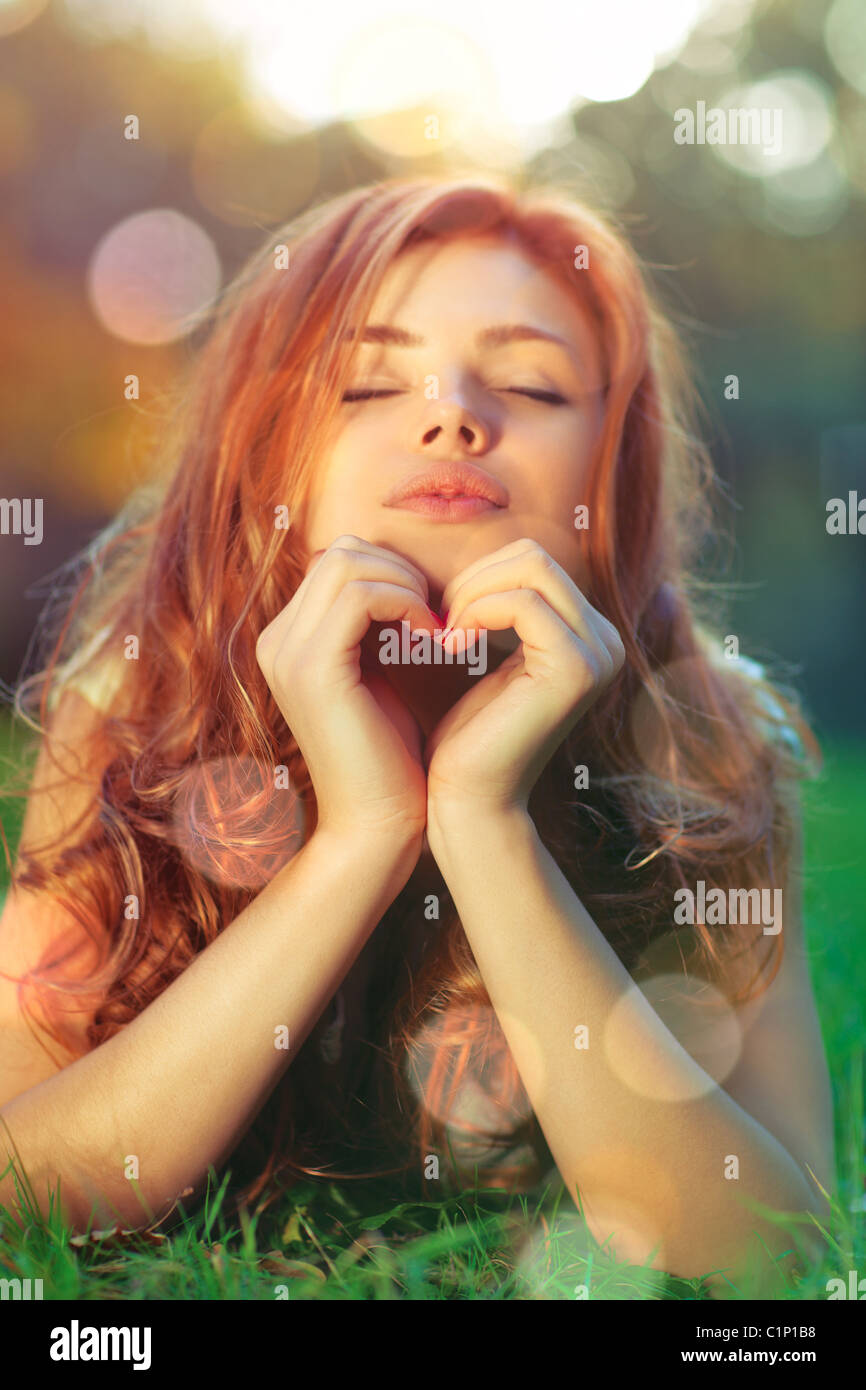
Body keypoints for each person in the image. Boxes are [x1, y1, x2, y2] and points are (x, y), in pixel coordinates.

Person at [0, 174, 833, 1290]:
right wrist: (364, 834)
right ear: (265, 464)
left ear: (612, 474)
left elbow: (773, 1255)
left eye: (532, 386)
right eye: (366, 383)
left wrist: (484, 823)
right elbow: (24, 1180)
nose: (449, 415)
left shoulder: (709, 739)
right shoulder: (130, 707)